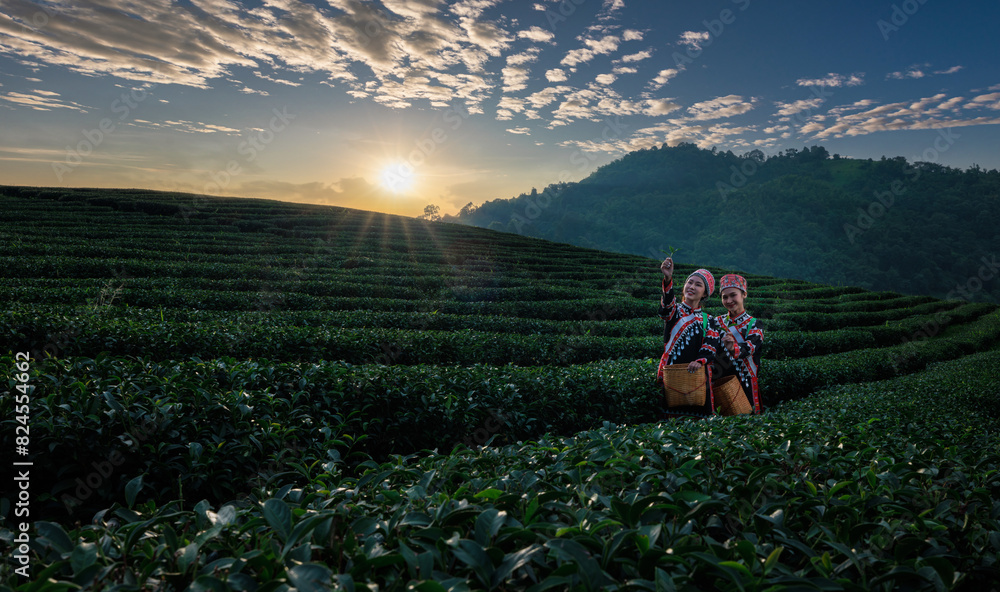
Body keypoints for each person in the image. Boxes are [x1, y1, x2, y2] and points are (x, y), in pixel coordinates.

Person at [656, 258, 721, 418]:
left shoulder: (709, 320)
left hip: (696, 380)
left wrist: (699, 361)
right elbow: (665, 307)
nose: (691, 287)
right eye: (689, 282)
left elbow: (710, 347)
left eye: (698, 285)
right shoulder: (675, 311)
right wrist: (668, 278)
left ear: (705, 293)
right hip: (671, 377)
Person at [713, 274, 764, 414]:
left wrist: (733, 348)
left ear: (744, 294)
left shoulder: (755, 324)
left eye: (733, 295)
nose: (729, 300)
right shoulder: (716, 322)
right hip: (721, 384)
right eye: (724, 297)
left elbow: (749, 348)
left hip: (745, 385)